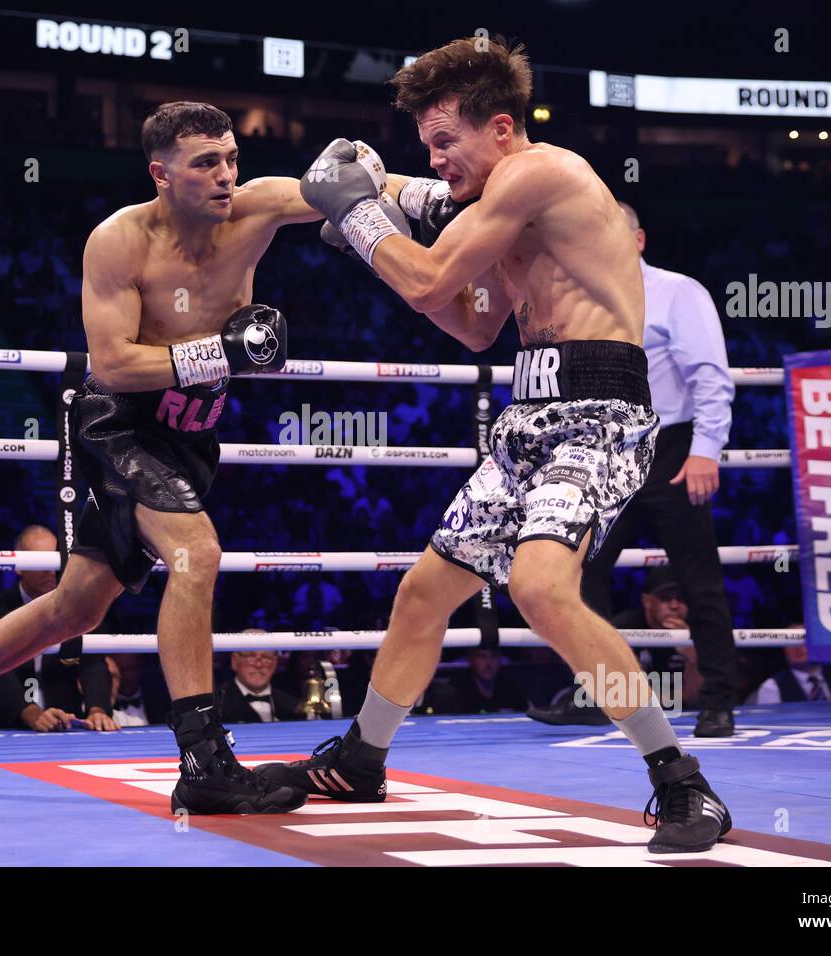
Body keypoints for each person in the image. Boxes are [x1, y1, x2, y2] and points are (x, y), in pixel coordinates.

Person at [259, 36, 731, 852]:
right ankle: (364, 758)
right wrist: (370, 211)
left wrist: (363, 216)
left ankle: (683, 782)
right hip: (529, 416)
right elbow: (473, 324)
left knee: (541, 588)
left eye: (447, 140)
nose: (436, 159)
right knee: (423, 592)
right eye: (427, 145)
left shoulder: (540, 173)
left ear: (502, 127)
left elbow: (425, 277)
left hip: (600, 414)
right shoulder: (501, 205)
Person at [0, 101, 325, 814]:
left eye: (231, 158)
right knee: (196, 554)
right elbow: (114, 364)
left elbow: (348, 185)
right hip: (119, 426)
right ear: (161, 174)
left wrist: (442, 194)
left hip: (190, 436)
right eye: (205, 163)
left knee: (75, 608)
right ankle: (203, 761)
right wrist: (222, 352)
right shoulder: (119, 240)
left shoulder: (256, 208)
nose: (225, 175)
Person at [580, 203, 739, 737]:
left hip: (671, 447)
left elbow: (710, 376)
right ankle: (601, 697)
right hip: (608, 449)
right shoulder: (584, 295)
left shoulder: (678, 292)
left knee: (697, 578)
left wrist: (706, 449)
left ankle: (719, 700)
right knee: (580, 571)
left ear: (639, 239)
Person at [0, 525, 114, 733]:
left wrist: (97, 710)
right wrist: (29, 712)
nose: (49, 569)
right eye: (40, 560)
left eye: (53, 558)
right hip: (2, 726)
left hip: (64, 725)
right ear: (19, 567)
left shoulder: (78, 607)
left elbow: (93, 662)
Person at [528, 566, 699, 725]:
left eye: (680, 599)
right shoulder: (622, 629)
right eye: (665, 599)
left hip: (682, 717)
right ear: (647, 601)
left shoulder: (698, 630)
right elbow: (606, 696)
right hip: (628, 717)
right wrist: (670, 697)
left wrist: (692, 657)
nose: (674, 606)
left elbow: (695, 698)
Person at [217, 651, 303, 723]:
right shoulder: (215, 705)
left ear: (274, 663)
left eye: (266, 657)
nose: (258, 665)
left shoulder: (294, 705)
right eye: (250, 656)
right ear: (235, 661)